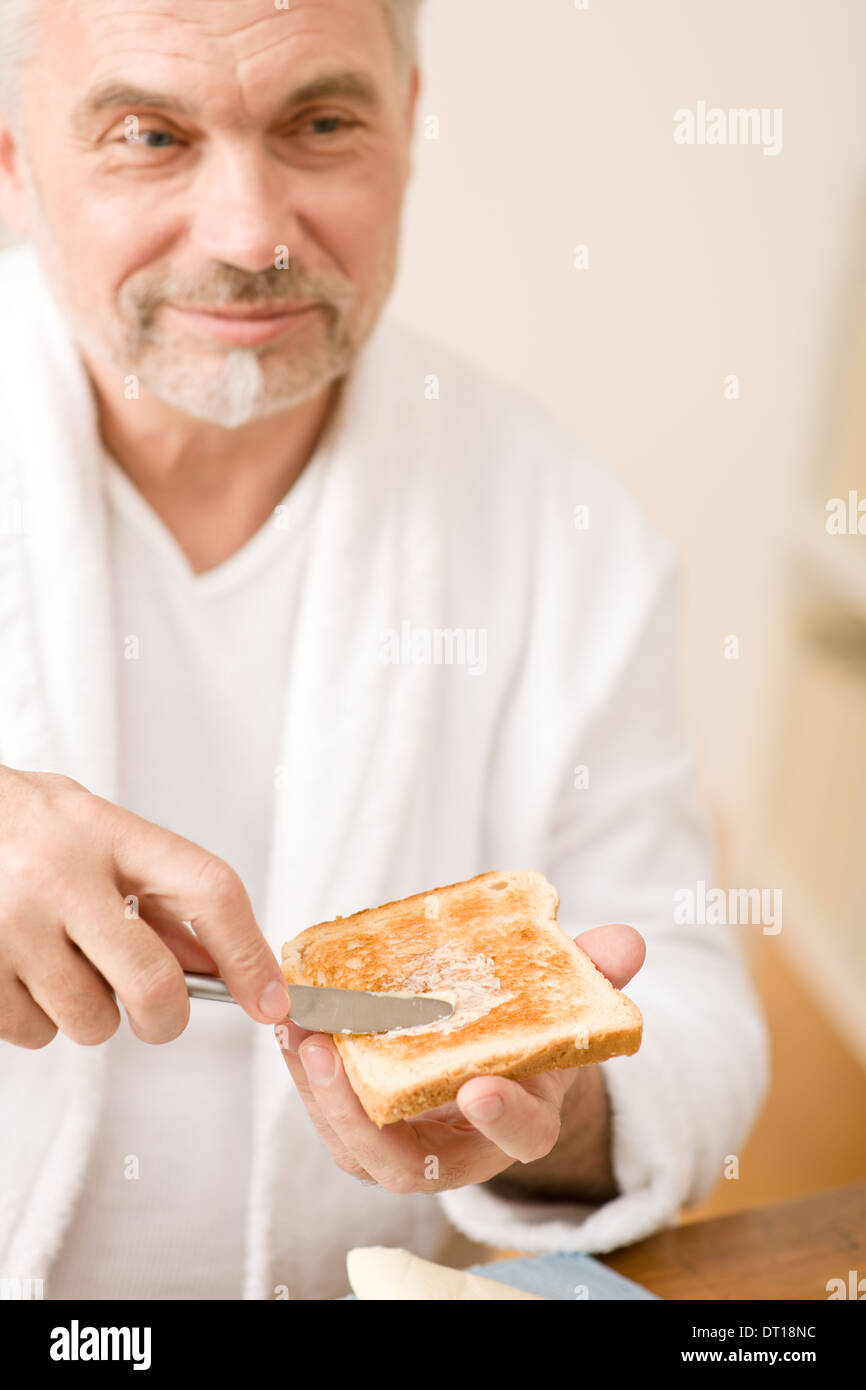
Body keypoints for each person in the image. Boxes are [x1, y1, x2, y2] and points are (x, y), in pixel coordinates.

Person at [0, 0, 768, 1300]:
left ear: (407, 128)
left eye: (320, 123)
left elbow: (689, 1002)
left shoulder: (558, 523)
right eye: (149, 133)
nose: (249, 235)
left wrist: (566, 1109)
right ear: (16, 156)